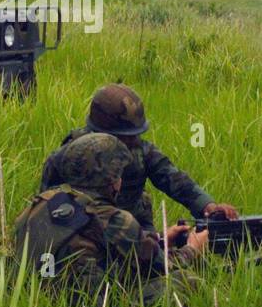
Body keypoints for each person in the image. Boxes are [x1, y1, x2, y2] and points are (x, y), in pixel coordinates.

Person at [13, 132, 207, 307]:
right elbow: (160, 267)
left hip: (38, 297)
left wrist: (160, 240)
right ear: (113, 180)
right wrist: (192, 248)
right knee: (185, 279)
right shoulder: (114, 218)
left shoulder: (43, 201)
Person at [40, 83, 238, 231]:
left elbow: (173, 178)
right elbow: (47, 209)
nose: (133, 141)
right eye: (125, 137)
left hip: (133, 226)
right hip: (85, 232)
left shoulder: (141, 151)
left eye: (135, 135)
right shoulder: (67, 157)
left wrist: (208, 206)